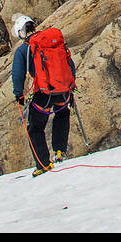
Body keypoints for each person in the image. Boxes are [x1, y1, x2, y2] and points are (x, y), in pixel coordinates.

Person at [11, 14, 76, 176]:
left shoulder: (23, 49)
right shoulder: (53, 42)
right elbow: (69, 63)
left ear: (21, 32)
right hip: (63, 91)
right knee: (62, 113)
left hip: (43, 93)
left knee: (35, 128)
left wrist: (19, 94)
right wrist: (71, 86)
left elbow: (18, 74)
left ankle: (43, 164)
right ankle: (60, 151)